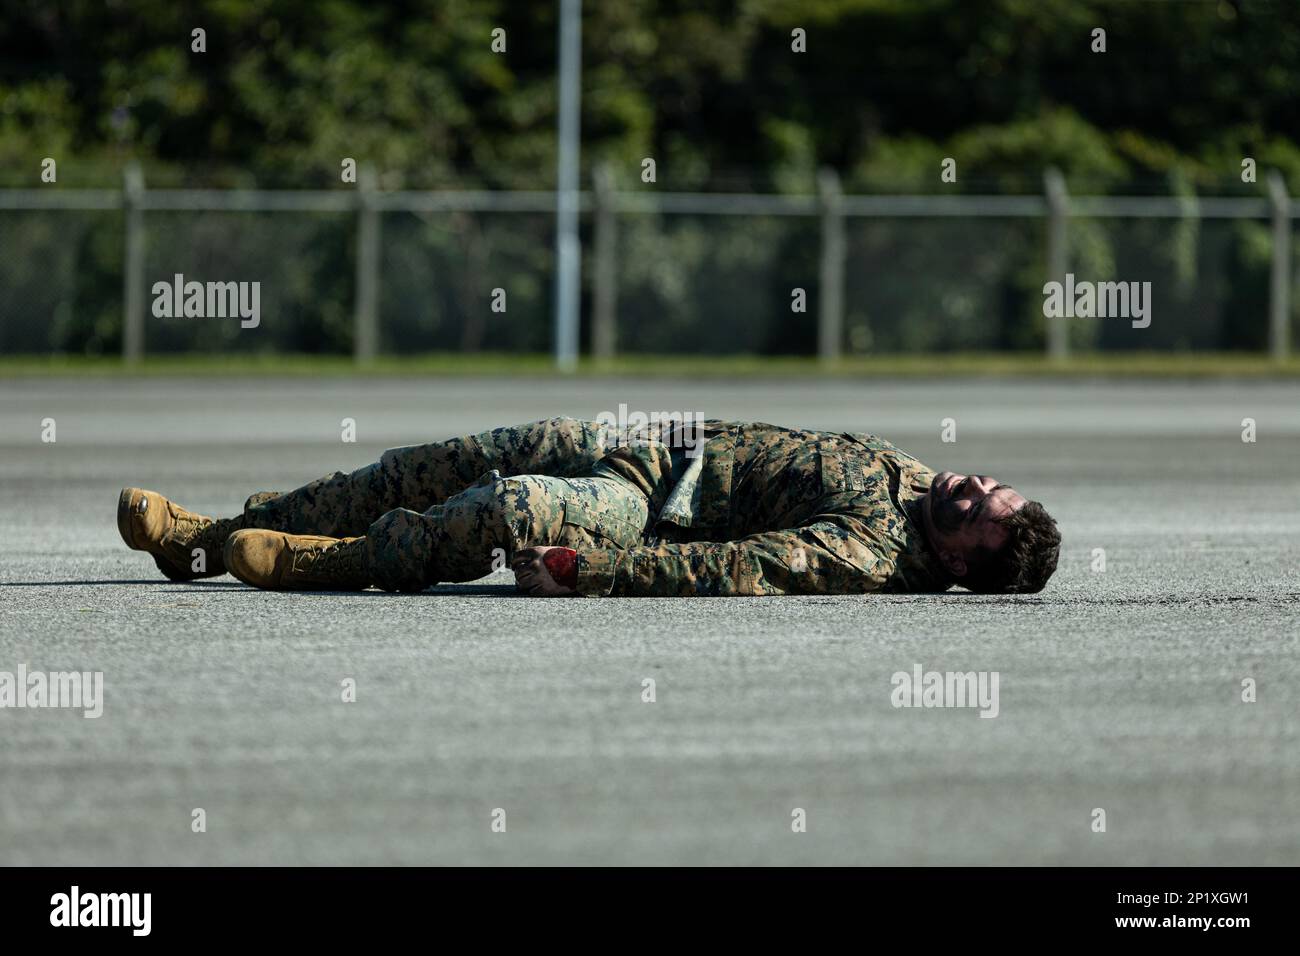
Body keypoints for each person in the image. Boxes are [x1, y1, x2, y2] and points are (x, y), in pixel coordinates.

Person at [117, 417, 1060, 597]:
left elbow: (737, 568)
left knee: (515, 504)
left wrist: (600, 572)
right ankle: (208, 539)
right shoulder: (911, 477)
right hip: (649, 436)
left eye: (977, 508)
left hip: (646, 508)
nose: (968, 485)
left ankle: (345, 561)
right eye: (985, 482)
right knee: (443, 459)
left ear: (964, 567)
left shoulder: (869, 552)